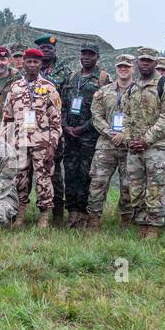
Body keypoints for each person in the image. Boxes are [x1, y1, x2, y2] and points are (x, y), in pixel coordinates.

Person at [121, 48, 165, 238]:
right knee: (135, 187)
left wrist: (146, 140)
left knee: (155, 187)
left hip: (158, 146)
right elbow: (126, 116)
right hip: (135, 146)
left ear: (155, 63)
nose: (145, 63)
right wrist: (129, 139)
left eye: (149, 61)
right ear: (137, 62)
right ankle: (141, 223)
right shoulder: (132, 87)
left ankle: (153, 227)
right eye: (142, 60)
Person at [2, 48, 62, 227]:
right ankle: (19, 214)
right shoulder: (15, 88)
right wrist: (7, 142)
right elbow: (7, 118)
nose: (32, 65)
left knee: (43, 179)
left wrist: (52, 144)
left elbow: (56, 120)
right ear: (24, 63)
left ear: (41, 64)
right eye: (29, 61)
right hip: (19, 143)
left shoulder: (49, 88)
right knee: (20, 178)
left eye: (36, 62)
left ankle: (44, 215)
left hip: (42, 142)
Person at [59, 44, 110, 226]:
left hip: (89, 136)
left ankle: (84, 213)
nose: (86, 57)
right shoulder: (71, 77)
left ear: (97, 57)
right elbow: (62, 105)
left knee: (87, 173)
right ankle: (72, 211)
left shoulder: (103, 79)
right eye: (84, 54)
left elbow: (104, 110)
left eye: (91, 54)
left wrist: (83, 128)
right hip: (70, 135)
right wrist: (65, 126)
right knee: (71, 173)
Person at [85, 54, 135, 228]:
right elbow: (96, 115)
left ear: (133, 68)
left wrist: (125, 134)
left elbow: (143, 118)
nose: (123, 69)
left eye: (127, 66)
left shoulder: (140, 91)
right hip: (106, 144)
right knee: (97, 182)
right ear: (116, 68)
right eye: (120, 66)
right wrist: (109, 132)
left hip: (129, 145)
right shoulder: (104, 91)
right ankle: (93, 221)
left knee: (129, 184)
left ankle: (126, 221)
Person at [35, 35, 70, 225]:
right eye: (43, 47)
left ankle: (57, 213)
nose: (46, 50)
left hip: (54, 129)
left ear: (55, 50)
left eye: (49, 48)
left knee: (53, 172)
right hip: (32, 131)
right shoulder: (30, 69)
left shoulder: (64, 70)